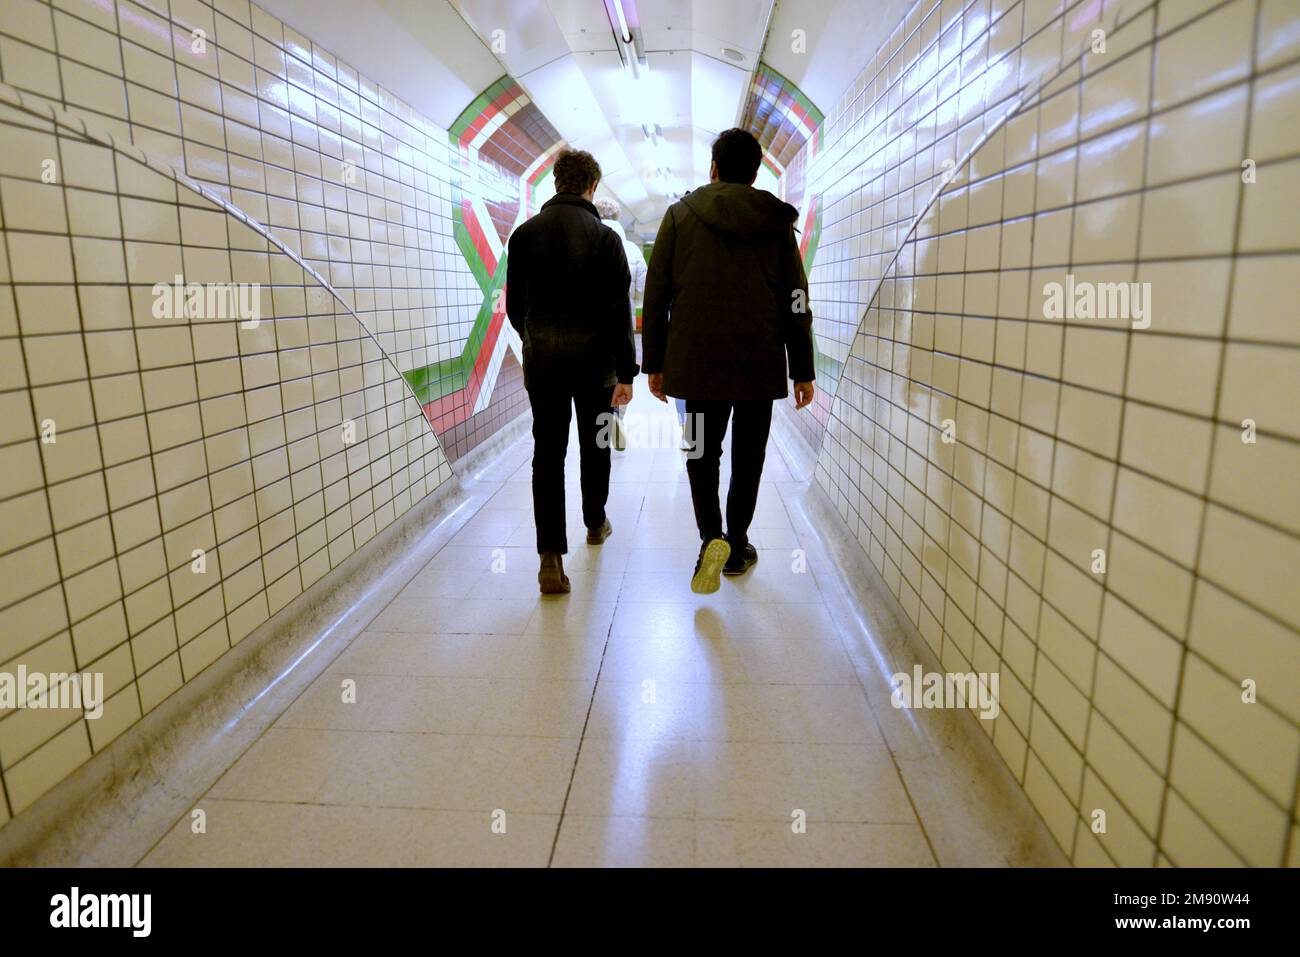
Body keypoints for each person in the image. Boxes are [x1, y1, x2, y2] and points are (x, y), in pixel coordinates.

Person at [642, 128, 815, 595]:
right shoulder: (776, 222)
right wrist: (803, 367)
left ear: (713, 169)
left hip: (696, 362)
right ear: (756, 172)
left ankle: (709, 538)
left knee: (702, 450)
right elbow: (795, 297)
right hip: (759, 361)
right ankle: (737, 544)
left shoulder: (680, 215)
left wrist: (653, 362)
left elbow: (656, 294)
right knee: (749, 455)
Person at [506, 150, 637, 595]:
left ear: (556, 180)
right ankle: (595, 521)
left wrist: (537, 337)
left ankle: (550, 558)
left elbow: (514, 308)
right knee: (595, 445)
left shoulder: (524, 236)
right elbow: (620, 313)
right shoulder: (605, 239)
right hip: (594, 363)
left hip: (542, 362)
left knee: (548, 454)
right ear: (592, 187)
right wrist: (626, 372)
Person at [595, 198, 647, 453]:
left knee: (600, 376)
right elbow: (640, 291)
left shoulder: (588, 237)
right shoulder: (633, 250)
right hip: (622, 316)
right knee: (621, 368)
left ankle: (606, 420)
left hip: (591, 321)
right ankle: (617, 413)